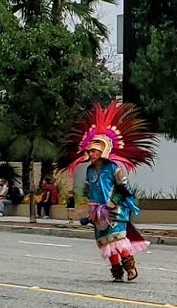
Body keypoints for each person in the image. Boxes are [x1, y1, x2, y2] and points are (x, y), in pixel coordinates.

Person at [65, 100, 156, 282]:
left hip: (116, 210)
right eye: (89, 151)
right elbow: (90, 191)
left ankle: (130, 268)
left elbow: (125, 188)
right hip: (98, 212)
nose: (90, 154)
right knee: (105, 242)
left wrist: (113, 201)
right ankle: (117, 272)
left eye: (93, 151)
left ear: (102, 151)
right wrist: (88, 211)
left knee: (117, 239)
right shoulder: (90, 170)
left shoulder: (114, 168)